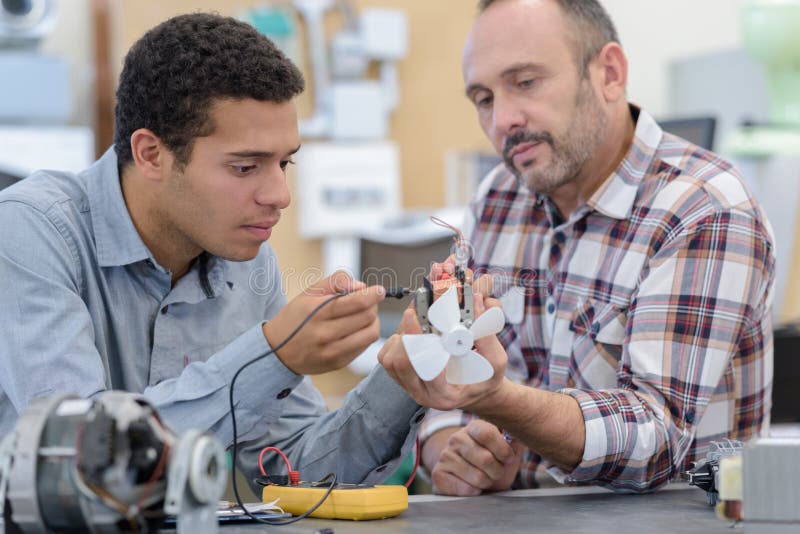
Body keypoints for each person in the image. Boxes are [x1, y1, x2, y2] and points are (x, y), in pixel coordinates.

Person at [0, 13, 424, 491]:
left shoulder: (246, 261)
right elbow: (83, 458)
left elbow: (297, 470)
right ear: (151, 154)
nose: (280, 195)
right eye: (246, 167)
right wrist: (273, 356)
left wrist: (406, 372)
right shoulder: (28, 230)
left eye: (284, 162)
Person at [378, 0, 775, 495]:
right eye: (483, 98)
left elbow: (656, 437)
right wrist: (451, 446)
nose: (503, 119)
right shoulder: (498, 198)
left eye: (525, 82)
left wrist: (501, 403)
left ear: (609, 73)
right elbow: (453, 372)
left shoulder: (705, 208)